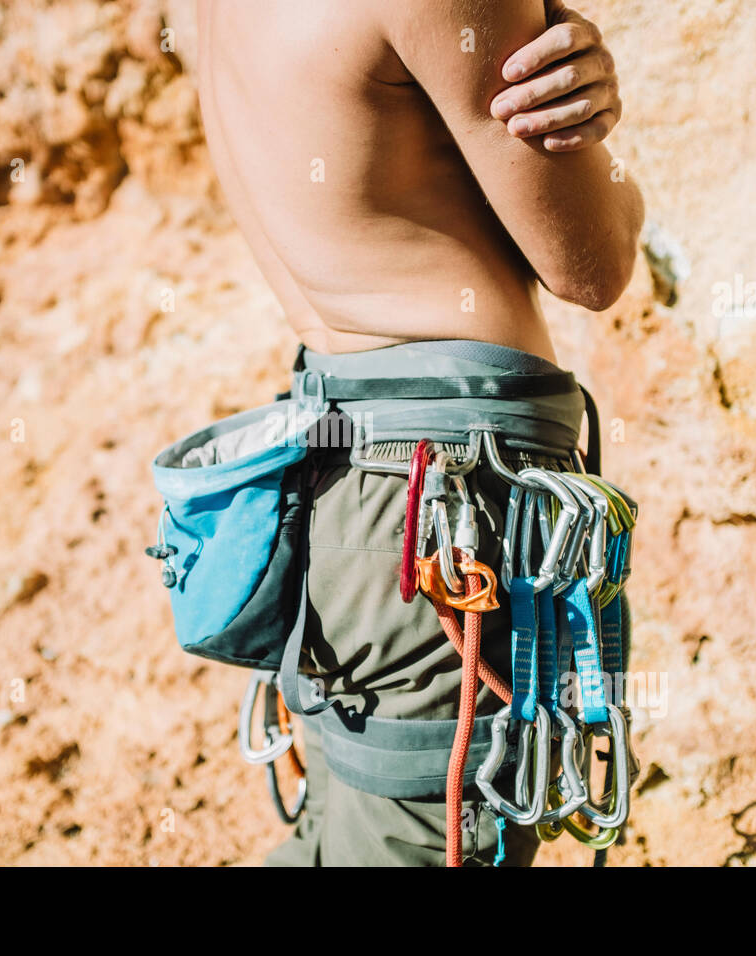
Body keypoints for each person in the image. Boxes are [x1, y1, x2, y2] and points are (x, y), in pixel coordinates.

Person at [195, 0, 645, 866]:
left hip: (338, 479)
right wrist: (600, 137)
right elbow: (594, 261)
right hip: (444, 508)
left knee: (343, 832)